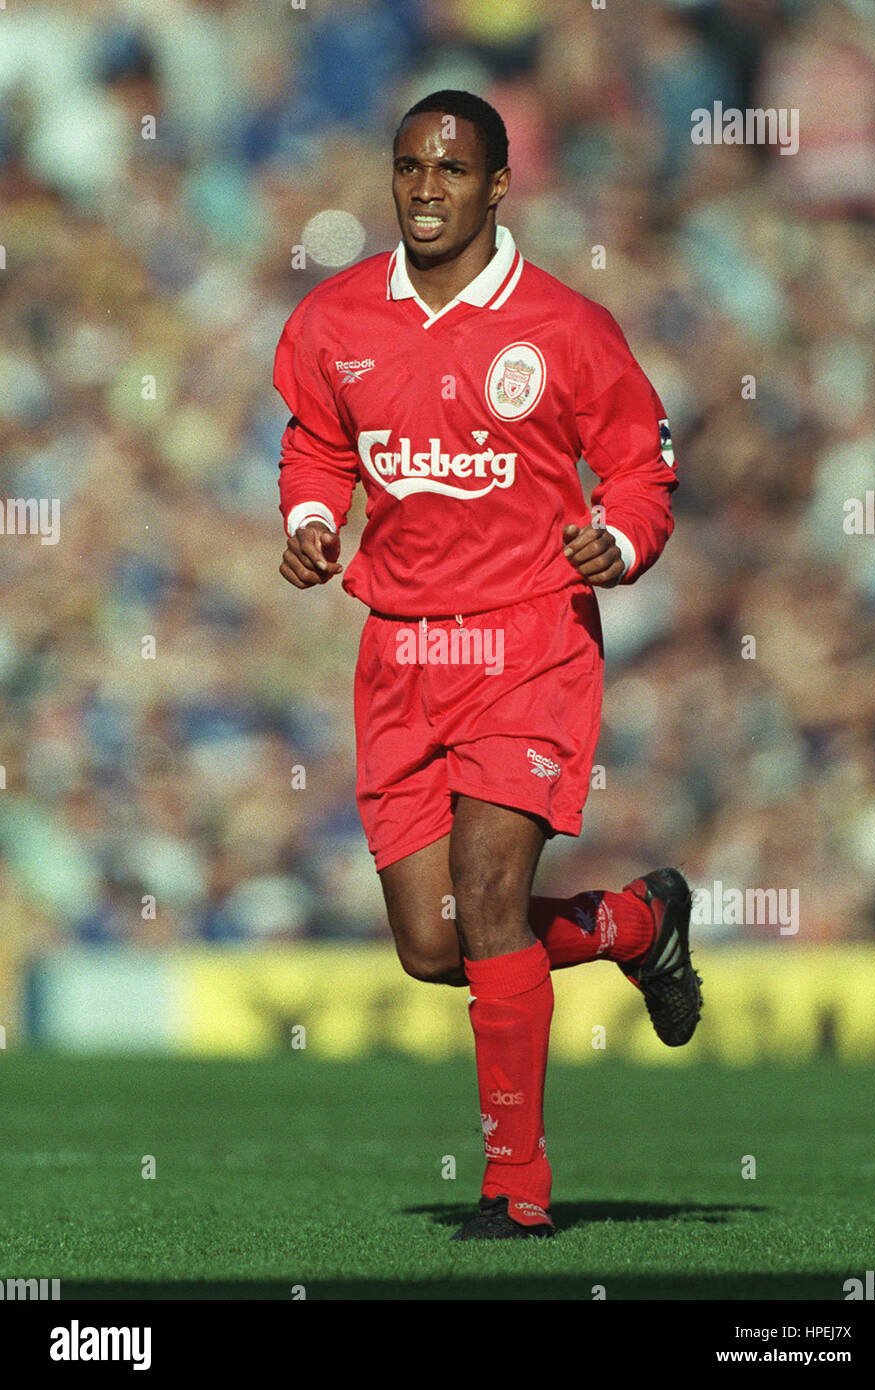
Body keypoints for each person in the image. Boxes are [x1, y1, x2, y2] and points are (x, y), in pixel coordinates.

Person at [274, 90, 702, 1241]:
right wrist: (314, 518)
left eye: (451, 170)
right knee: (434, 944)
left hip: (527, 641)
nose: (425, 188)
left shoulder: (564, 328)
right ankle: (632, 924)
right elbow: (317, 442)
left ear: (498, 185)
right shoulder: (334, 319)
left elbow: (640, 469)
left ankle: (518, 1188)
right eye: (409, 167)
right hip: (400, 651)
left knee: (492, 894)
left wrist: (614, 542)